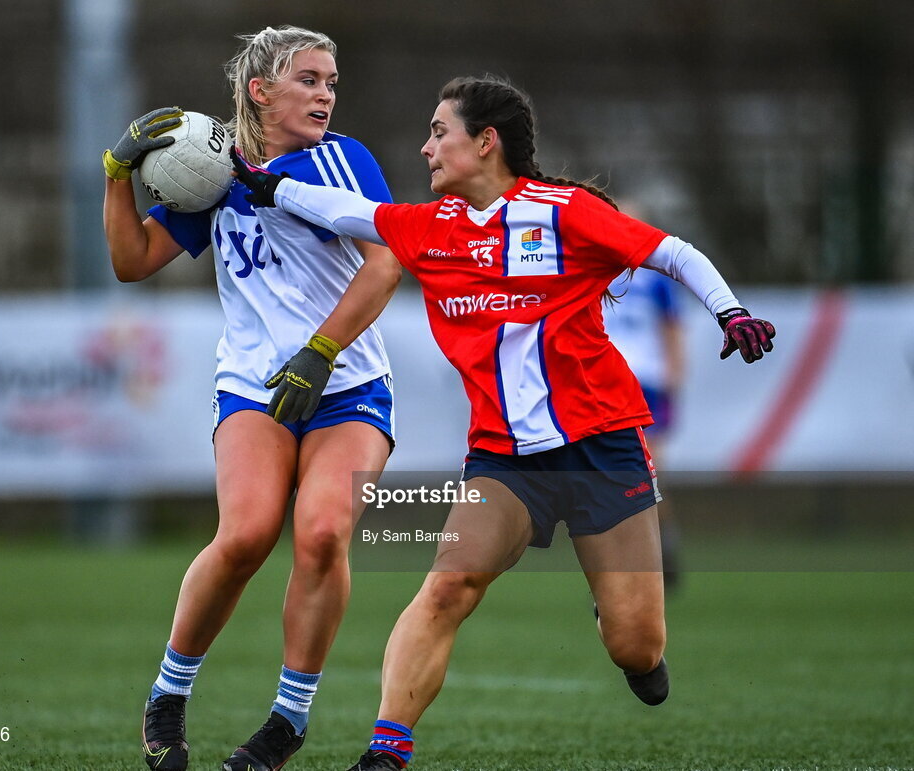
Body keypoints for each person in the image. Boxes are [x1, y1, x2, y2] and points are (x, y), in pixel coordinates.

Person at [233, 75, 775, 770]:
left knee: (636, 645)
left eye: (439, 132)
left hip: (602, 447)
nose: (426, 147)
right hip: (504, 460)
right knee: (446, 587)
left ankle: (625, 630)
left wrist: (730, 311)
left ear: (485, 141)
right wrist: (267, 183)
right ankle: (385, 752)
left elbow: (672, 252)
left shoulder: (565, 212)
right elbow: (343, 210)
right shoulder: (430, 229)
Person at [102, 25, 402, 771]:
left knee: (322, 533)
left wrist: (320, 352)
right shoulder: (212, 171)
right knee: (244, 536)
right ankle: (167, 696)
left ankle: (287, 720)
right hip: (251, 386)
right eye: (309, 80)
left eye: (331, 82)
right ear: (260, 91)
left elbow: (386, 264)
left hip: (347, 383)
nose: (326, 95)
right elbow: (132, 261)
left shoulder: (343, 159)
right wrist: (116, 174)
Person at [604, 264, 686, 589]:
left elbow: (672, 327)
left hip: (647, 382)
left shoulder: (655, 277)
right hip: (603, 381)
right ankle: (623, 564)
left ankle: (663, 548)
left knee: (650, 473)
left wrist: (673, 377)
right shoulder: (590, 267)